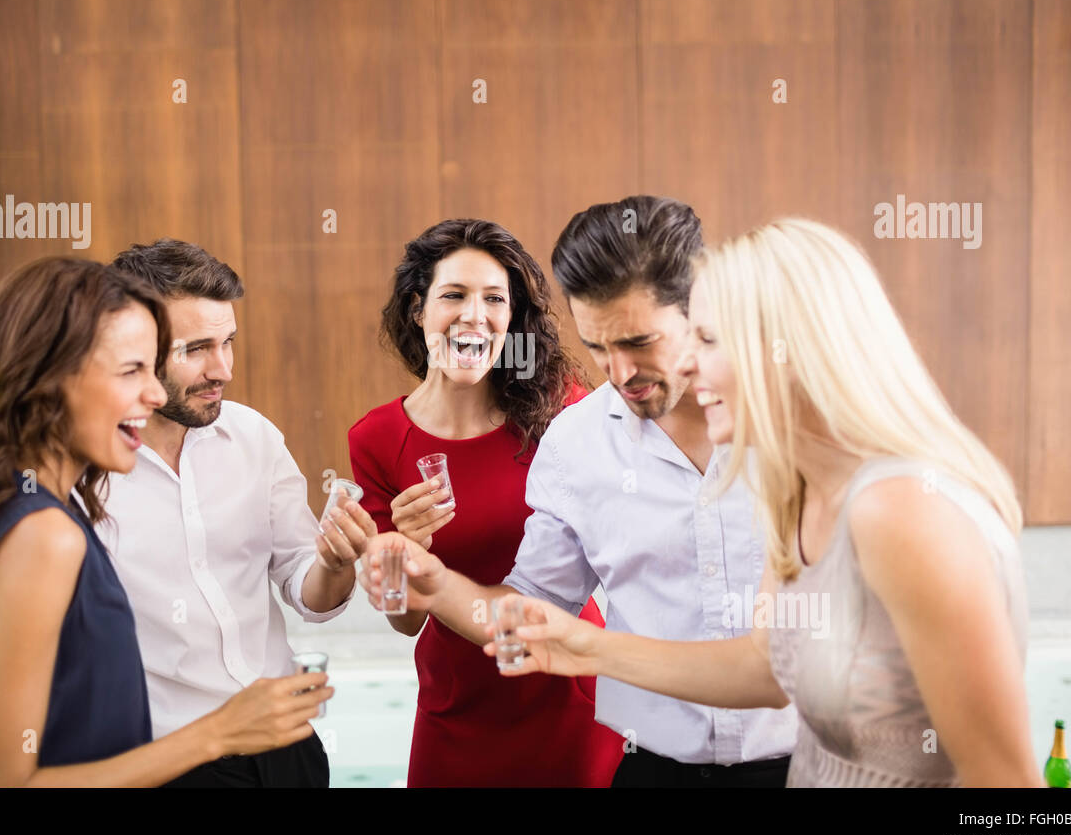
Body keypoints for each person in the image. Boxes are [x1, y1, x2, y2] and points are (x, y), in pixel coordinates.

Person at [479, 218, 1042, 787]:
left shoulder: (898, 510)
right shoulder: (797, 494)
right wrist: (586, 647)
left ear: (794, 349)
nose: (686, 364)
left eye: (709, 339)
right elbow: (760, 666)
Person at [358, 198, 798, 787]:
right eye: (597, 347)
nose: (619, 374)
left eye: (640, 342)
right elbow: (536, 604)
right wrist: (434, 583)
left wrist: (589, 650)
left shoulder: (794, 425)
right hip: (652, 772)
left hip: (807, 767)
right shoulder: (577, 441)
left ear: (703, 305)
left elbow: (781, 664)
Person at [0, 257, 329, 786]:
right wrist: (218, 734)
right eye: (131, 370)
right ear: (51, 380)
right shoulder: (45, 536)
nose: (156, 394)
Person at [348, 218, 623, 787]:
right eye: (454, 295)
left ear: (510, 319)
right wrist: (408, 548)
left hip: (566, 688)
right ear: (418, 309)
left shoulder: (560, 410)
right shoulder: (375, 439)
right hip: (458, 704)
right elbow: (404, 619)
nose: (475, 314)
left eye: (494, 299)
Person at [104, 239, 376, 788]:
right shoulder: (82, 474)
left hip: (286, 746)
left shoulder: (253, 437)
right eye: (197, 348)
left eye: (228, 342)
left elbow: (308, 590)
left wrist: (335, 560)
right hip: (171, 762)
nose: (222, 368)